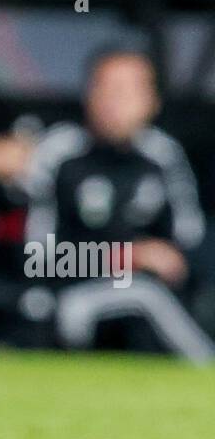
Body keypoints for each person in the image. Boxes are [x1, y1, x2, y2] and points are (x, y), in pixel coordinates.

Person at [25, 48, 213, 361]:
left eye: (129, 91)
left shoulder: (164, 157)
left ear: (152, 100)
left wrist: (169, 261)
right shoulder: (59, 155)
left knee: (153, 297)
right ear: (89, 95)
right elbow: (35, 257)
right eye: (108, 88)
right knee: (142, 296)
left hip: (153, 309)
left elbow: (191, 248)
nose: (117, 102)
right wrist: (123, 258)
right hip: (69, 298)